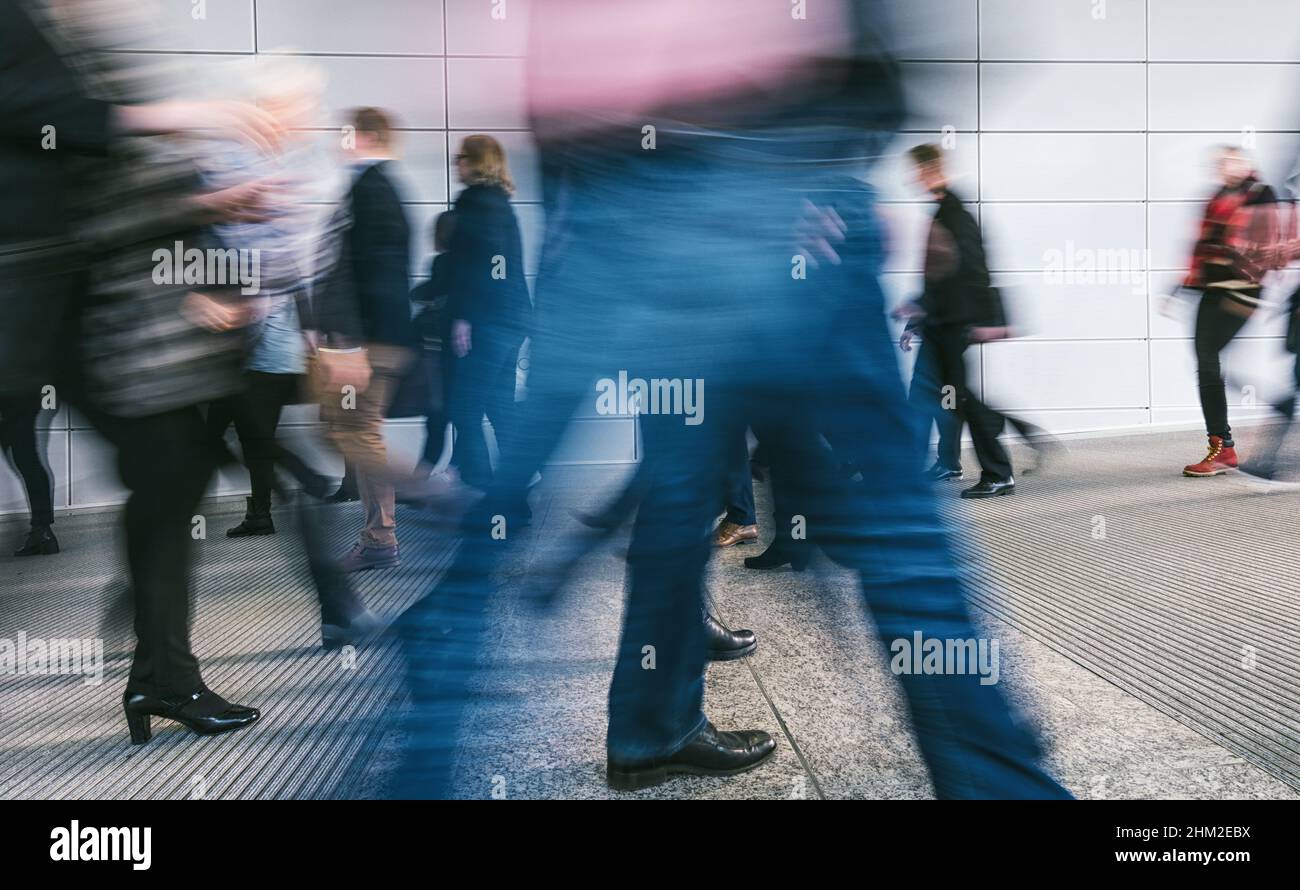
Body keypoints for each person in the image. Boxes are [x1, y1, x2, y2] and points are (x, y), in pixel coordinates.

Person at [392, 0, 1068, 800]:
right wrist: (838, 138)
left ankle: (628, 725)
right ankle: (997, 776)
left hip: (617, 208)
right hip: (776, 176)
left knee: (654, 505)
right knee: (895, 520)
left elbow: (556, 81)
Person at [0, 0, 284, 744]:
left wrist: (210, 206)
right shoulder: (38, 39)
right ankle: (159, 666)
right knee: (173, 467)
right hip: (76, 316)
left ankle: (160, 668)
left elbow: (112, 188)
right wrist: (188, 128)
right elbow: (63, 155)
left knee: (174, 468)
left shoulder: (85, 48)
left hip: (92, 314)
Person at [311, 107, 418, 572]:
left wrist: (350, 345)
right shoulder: (380, 188)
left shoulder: (371, 190)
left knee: (355, 433)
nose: (341, 142)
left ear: (369, 136)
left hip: (369, 343)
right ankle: (384, 532)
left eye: (347, 134)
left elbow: (368, 275)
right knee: (348, 431)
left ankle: (395, 525)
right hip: (374, 339)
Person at [897, 143, 1021, 499]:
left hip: (953, 324)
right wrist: (916, 311)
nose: (914, 178)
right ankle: (910, 471)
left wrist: (988, 318)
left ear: (932, 170)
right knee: (927, 395)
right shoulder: (940, 212)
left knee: (960, 400)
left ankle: (999, 472)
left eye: (919, 171)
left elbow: (975, 267)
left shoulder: (955, 213)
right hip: (940, 324)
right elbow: (938, 277)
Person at [1169, 146, 1281, 477]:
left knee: (1213, 361)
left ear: (1246, 164)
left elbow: (1268, 242)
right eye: (1219, 163)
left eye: (1231, 161)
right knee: (1206, 363)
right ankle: (1222, 448)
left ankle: (1277, 407)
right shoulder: (1216, 197)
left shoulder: (1262, 194)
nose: (1223, 167)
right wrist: (1180, 287)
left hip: (1242, 292)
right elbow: (1201, 246)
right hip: (1211, 290)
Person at [444, 135, 532, 492]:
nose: (456, 164)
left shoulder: (476, 202)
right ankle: (513, 498)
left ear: (476, 162)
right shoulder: (500, 202)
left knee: (465, 408)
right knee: (500, 408)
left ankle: (485, 493)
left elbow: (485, 264)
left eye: (461, 158)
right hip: (511, 320)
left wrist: (465, 317)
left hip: (489, 321)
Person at [410, 210, 457, 475]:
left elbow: (427, 291)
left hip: (444, 355)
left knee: (437, 420)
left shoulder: (442, 263)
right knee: (454, 419)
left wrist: (416, 293)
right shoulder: (468, 263)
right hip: (463, 355)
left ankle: (420, 479)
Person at [0, 391, 58, 556]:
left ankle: (41, 532)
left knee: (27, 462)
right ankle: (43, 532)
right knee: (28, 461)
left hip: (12, 393)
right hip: (23, 392)